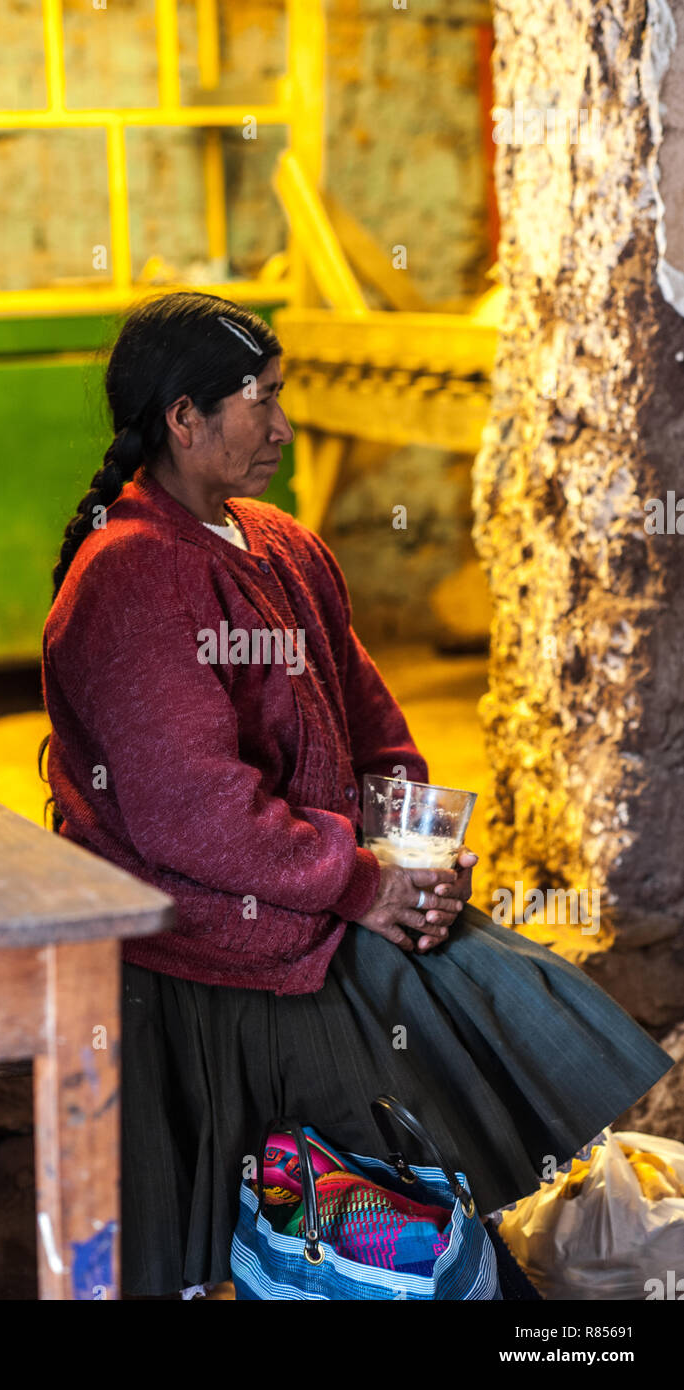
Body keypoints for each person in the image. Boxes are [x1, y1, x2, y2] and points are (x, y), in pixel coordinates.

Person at [39, 291, 673, 1300]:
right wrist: (359, 882)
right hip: (217, 948)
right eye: (264, 401)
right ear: (184, 418)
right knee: (379, 1140)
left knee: (494, 994)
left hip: (323, 899)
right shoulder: (130, 576)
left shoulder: (282, 547)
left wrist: (412, 855)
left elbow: (374, 725)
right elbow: (193, 810)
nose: (284, 426)